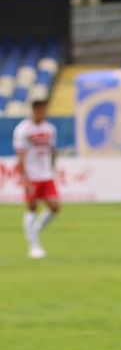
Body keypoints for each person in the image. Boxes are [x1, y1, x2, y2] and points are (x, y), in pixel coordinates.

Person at [13, 100, 59, 260]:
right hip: (32, 175)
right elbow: (21, 155)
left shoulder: (50, 128)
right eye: (41, 110)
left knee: (55, 206)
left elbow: (52, 150)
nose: (44, 113)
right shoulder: (23, 129)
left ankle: (35, 231)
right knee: (31, 207)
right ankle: (34, 247)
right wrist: (25, 179)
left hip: (46, 175)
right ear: (35, 110)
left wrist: (53, 169)